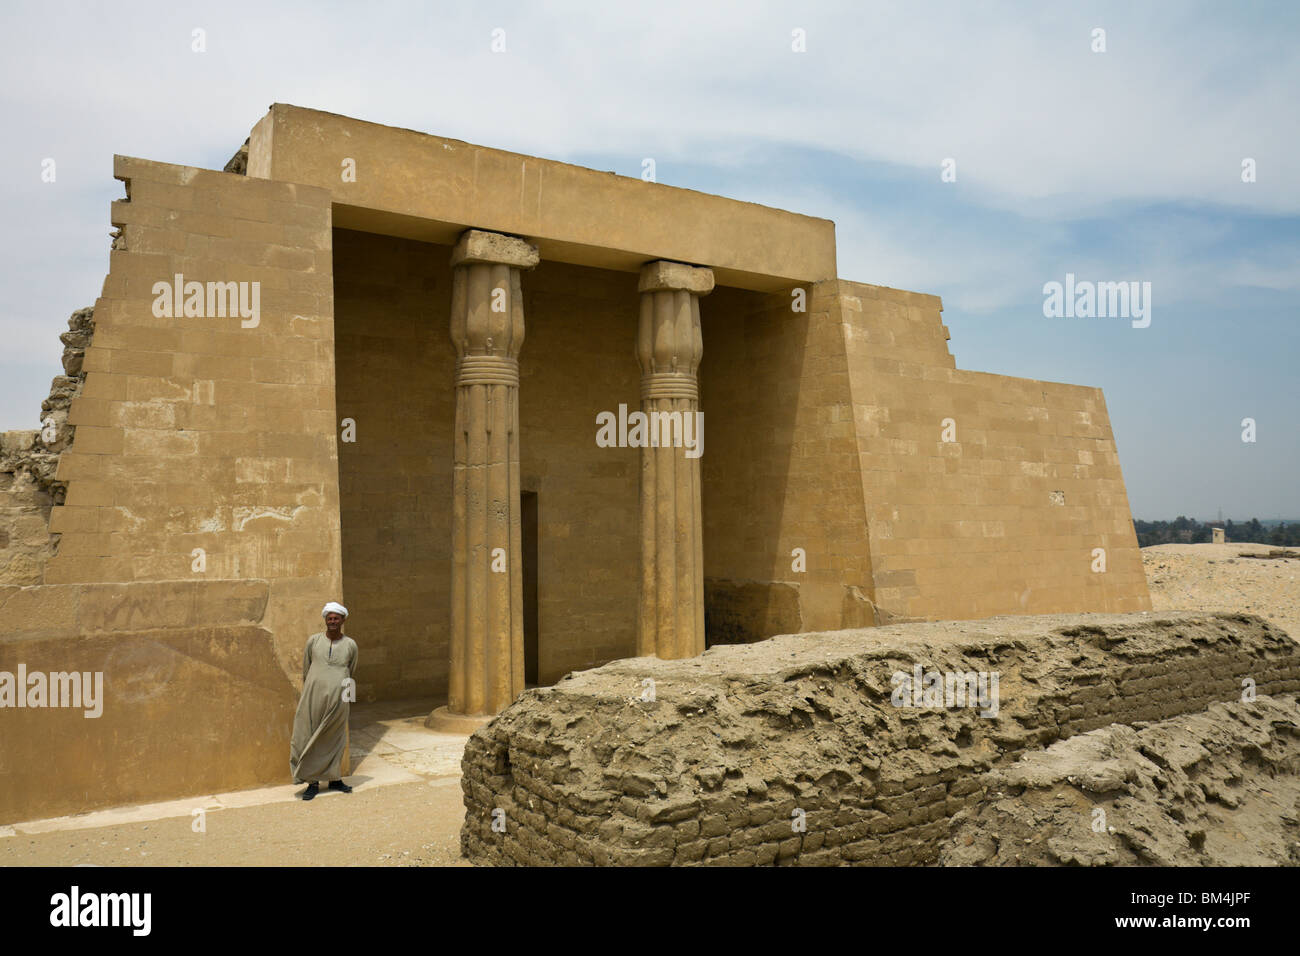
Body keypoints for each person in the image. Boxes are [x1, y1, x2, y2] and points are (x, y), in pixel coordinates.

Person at [290, 601, 359, 800]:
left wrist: (347, 699)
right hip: (313, 697)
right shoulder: (313, 641)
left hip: (340, 699)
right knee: (308, 736)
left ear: (343, 620)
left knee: (336, 738)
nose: (333, 621)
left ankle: (334, 779)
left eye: (336, 618)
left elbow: (351, 671)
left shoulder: (350, 644)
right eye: (329, 618)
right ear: (325, 620)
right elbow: (306, 668)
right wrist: (310, 690)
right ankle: (312, 782)